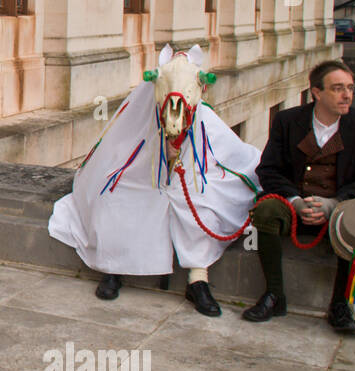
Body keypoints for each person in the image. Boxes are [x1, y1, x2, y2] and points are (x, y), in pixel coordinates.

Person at [49, 45, 262, 317]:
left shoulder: (204, 119)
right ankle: (113, 268)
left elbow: (230, 153)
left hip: (189, 182)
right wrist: (158, 151)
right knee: (115, 199)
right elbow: (119, 152)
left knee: (204, 205)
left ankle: (198, 279)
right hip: (144, 180)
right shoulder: (139, 115)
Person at [242, 59, 355, 332]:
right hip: (295, 202)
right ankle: (275, 295)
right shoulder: (288, 120)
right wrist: (294, 201)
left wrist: (334, 204)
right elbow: (268, 170)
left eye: (350, 88)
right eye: (338, 89)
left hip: (340, 205)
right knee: (266, 211)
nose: (347, 95)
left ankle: (341, 305)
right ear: (317, 92)